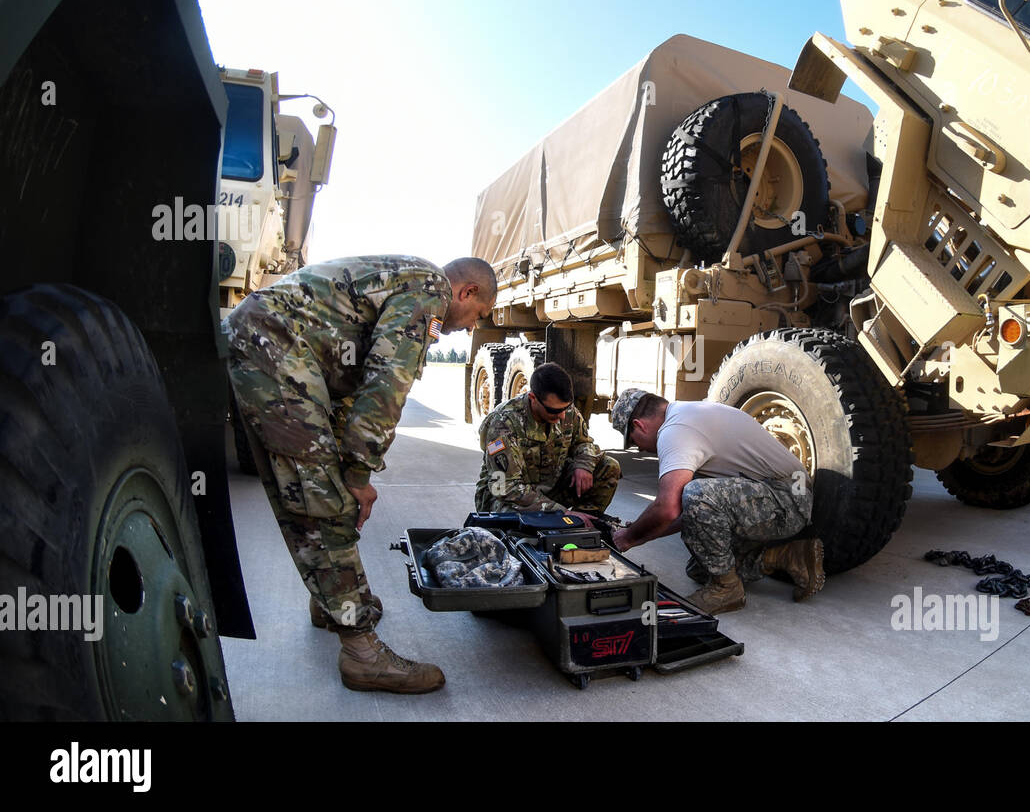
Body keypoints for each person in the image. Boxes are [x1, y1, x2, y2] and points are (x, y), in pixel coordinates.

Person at [225, 253, 496, 694]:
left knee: (319, 487)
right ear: (466, 291)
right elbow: (385, 386)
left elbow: (351, 387)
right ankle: (361, 652)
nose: (469, 328)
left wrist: (348, 464)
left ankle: (331, 601)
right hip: (272, 345)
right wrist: (356, 475)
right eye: (477, 315)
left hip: (270, 341)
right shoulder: (429, 292)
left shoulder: (411, 281)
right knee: (323, 501)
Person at [607, 388, 823, 614]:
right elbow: (688, 514)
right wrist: (641, 530)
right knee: (701, 568)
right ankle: (788, 556)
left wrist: (627, 539)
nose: (639, 448)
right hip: (780, 496)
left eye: (633, 441)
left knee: (696, 494)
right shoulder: (687, 413)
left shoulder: (674, 431)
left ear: (640, 425)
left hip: (788, 498)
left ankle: (727, 589)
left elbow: (668, 508)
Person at [475, 361, 620, 522]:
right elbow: (504, 487)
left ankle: (580, 524)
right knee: (517, 525)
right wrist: (560, 512)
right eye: (554, 411)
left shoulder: (565, 410)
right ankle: (559, 524)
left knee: (608, 466)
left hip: (551, 488)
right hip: (508, 498)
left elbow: (583, 443)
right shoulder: (503, 424)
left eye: (566, 408)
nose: (563, 416)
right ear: (533, 398)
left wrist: (583, 465)